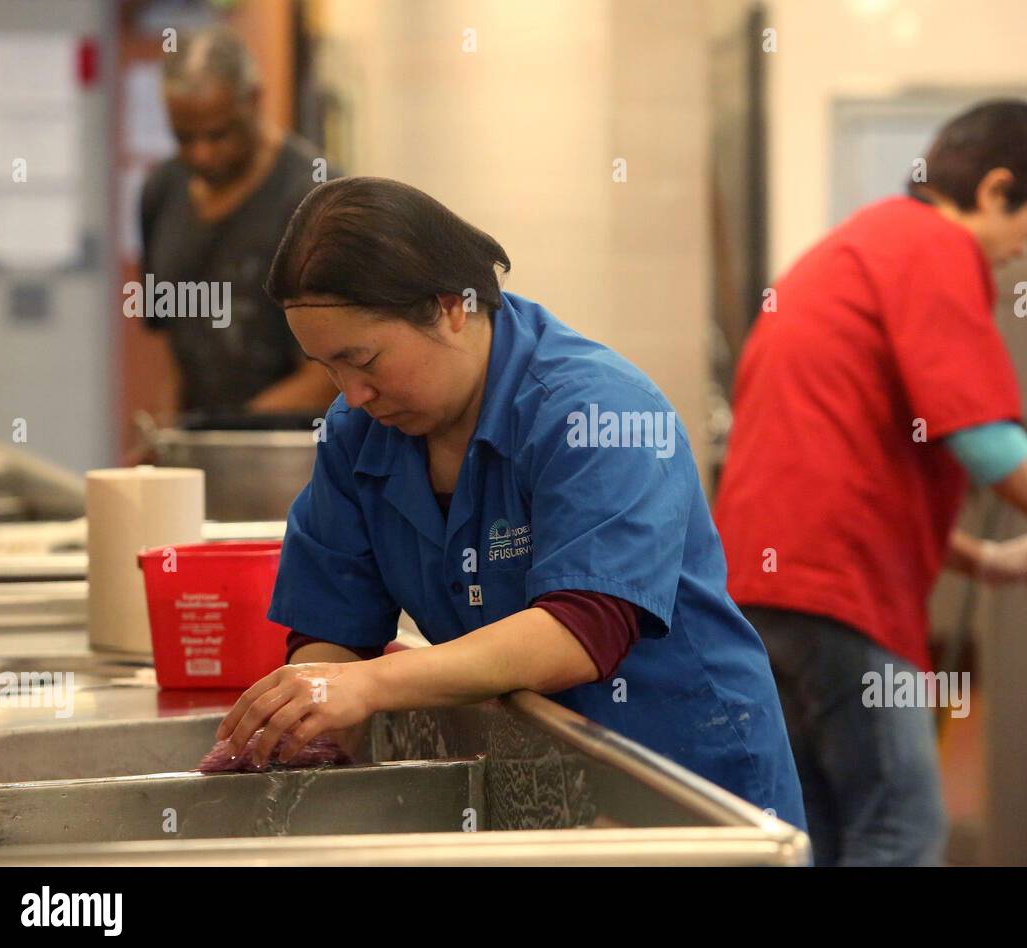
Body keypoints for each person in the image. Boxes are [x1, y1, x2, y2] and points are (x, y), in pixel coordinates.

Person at [212, 176, 807, 832]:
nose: (353, 394)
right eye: (329, 368)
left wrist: (370, 687)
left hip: (679, 778)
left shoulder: (596, 411)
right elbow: (333, 625)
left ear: (449, 307)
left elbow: (583, 628)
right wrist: (309, 718)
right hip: (540, 782)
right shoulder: (358, 435)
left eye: (365, 360)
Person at [711, 100, 1027, 866]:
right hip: (842, 601)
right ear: (995, 190)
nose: (1026, 249)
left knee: (821, 836)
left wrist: (987, 560)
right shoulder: (934, 246)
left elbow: (842, 472)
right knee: (902, 830)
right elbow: (983, 436)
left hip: (764, 597)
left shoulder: (857, 246)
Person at [138, 26, 338, 419]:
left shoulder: (315, 197)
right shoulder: (160, 192)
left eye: (219, 135)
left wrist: (227, 437)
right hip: (204, 440)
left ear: (254, 100)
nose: (202, 154)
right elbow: (176, 353)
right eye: (184, 137)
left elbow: (333, 373)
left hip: (300, 443)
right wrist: (170, 436)